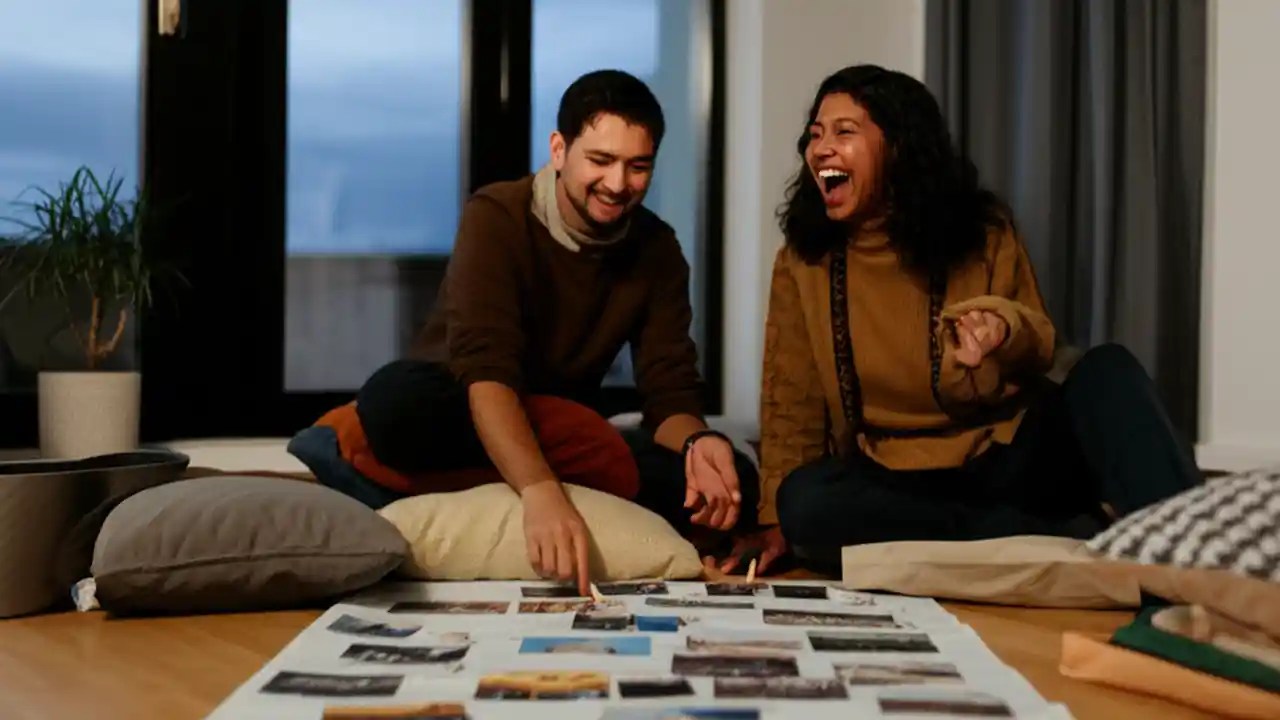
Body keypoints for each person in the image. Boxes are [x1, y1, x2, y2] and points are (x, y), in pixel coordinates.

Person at [718, 64, 1201, 576]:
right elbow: (791, 395)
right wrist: (775, 520)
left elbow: (1042, 343)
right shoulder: (803, 259)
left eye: (844, 132)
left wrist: (1002, 330)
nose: (820, 149)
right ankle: (1043, 536)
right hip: (889, 478)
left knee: (1108, 370)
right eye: (815, 135)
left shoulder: (983, 231)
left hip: (1005, 459)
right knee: (806, 504)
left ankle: (1197, 557)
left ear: (899, 146)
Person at [293, 69, 758, 595]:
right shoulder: (497, 215)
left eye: (638, 166)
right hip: (463, 404)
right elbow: (486, 371)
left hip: (558, 426)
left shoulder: (658, 249)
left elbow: (668, 388)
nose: (617, 184)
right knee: (393, 403)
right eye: (600, 161)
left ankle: (583, 447)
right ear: (559, 150)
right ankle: (566, 452)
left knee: (732, 474)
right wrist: (540, 491)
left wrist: (698, 442)